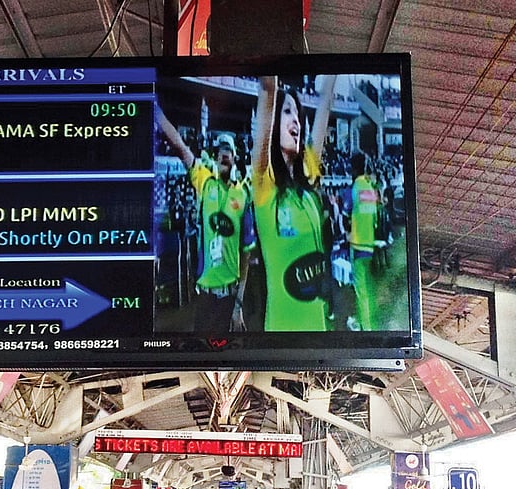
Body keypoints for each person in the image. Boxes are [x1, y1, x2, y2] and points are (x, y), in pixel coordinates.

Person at [251, 74, 338, 331]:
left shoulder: (308, 178)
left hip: (318, 333)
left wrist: (333, 72)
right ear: (273, 122)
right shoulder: (264, 185)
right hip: (281, 331)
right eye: (287, 111)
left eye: (298, 114)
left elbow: (325, 104)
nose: (296, 120)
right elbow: (268, 92)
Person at [155, 107, 253, 332]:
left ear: (236, 157)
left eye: (228, 149)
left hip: (229, 297)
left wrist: (238, 304)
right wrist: (156, 110)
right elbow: (179, 145)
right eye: (220, 149)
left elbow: (246, 253)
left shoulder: (243, 195)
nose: (223, 153)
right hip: (205, 296)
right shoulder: (204, 182)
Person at [347, 152, 383, 331]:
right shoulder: (369, 186)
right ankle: (369, 322)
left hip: (358, 244)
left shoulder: (356, 186)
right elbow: (374, 216)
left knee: (361, 290)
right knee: (369, 289)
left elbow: (348, 210)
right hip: (370, 243)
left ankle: (365, 327)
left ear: (353, 168)